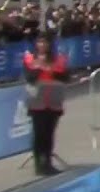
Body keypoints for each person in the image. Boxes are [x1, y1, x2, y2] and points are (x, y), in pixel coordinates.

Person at [22, 34, 71, 176]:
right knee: (39, 133)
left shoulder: (58, 59)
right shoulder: (30, 58)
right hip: (37, 101)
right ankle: (39, 164)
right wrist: (41, 67)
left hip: (54, 100)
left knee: (49, 133)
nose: (42, 45)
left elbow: (65, 76)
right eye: (40, 42)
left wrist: (50, 69)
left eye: (45, 42)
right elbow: (30, 77)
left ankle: (48, 162)